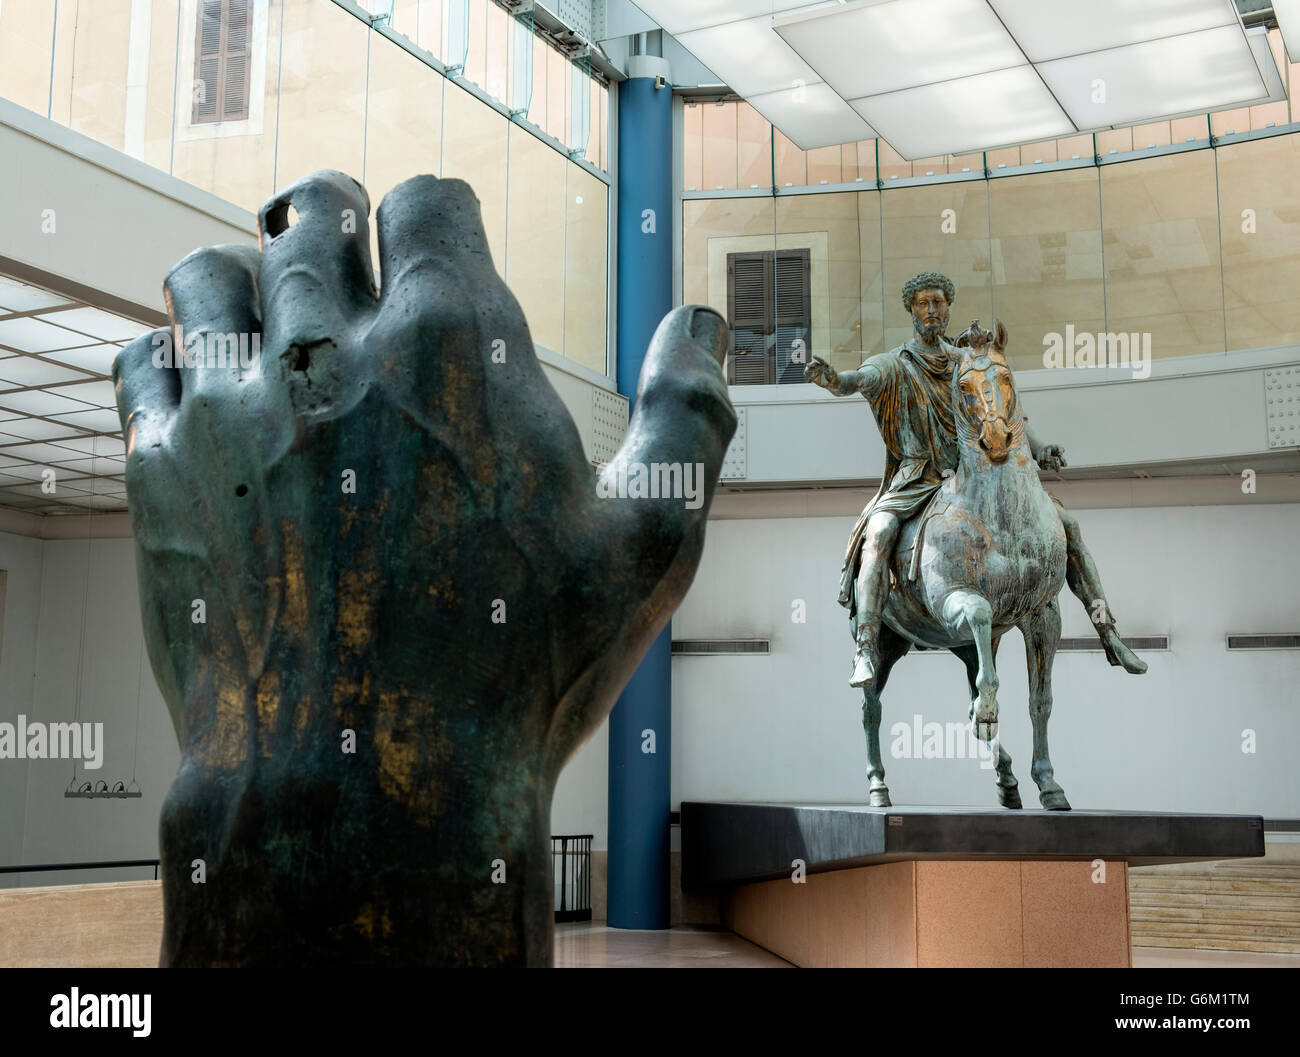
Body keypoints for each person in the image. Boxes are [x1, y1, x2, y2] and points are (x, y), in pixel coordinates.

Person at [805, 271, 1147, 687]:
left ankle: (1108, 630)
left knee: (1068, 527)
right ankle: (865, 646)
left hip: (974, 478)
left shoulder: (967, 361)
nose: (931, 310)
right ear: (911, 310)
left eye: (938, 302)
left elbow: (1003, 412)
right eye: (923, 304)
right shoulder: (896, 364)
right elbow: (860, 380)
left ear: (949, 307)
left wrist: (1039, 449)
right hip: (918, 479)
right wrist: (834, 380)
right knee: (878, 533)